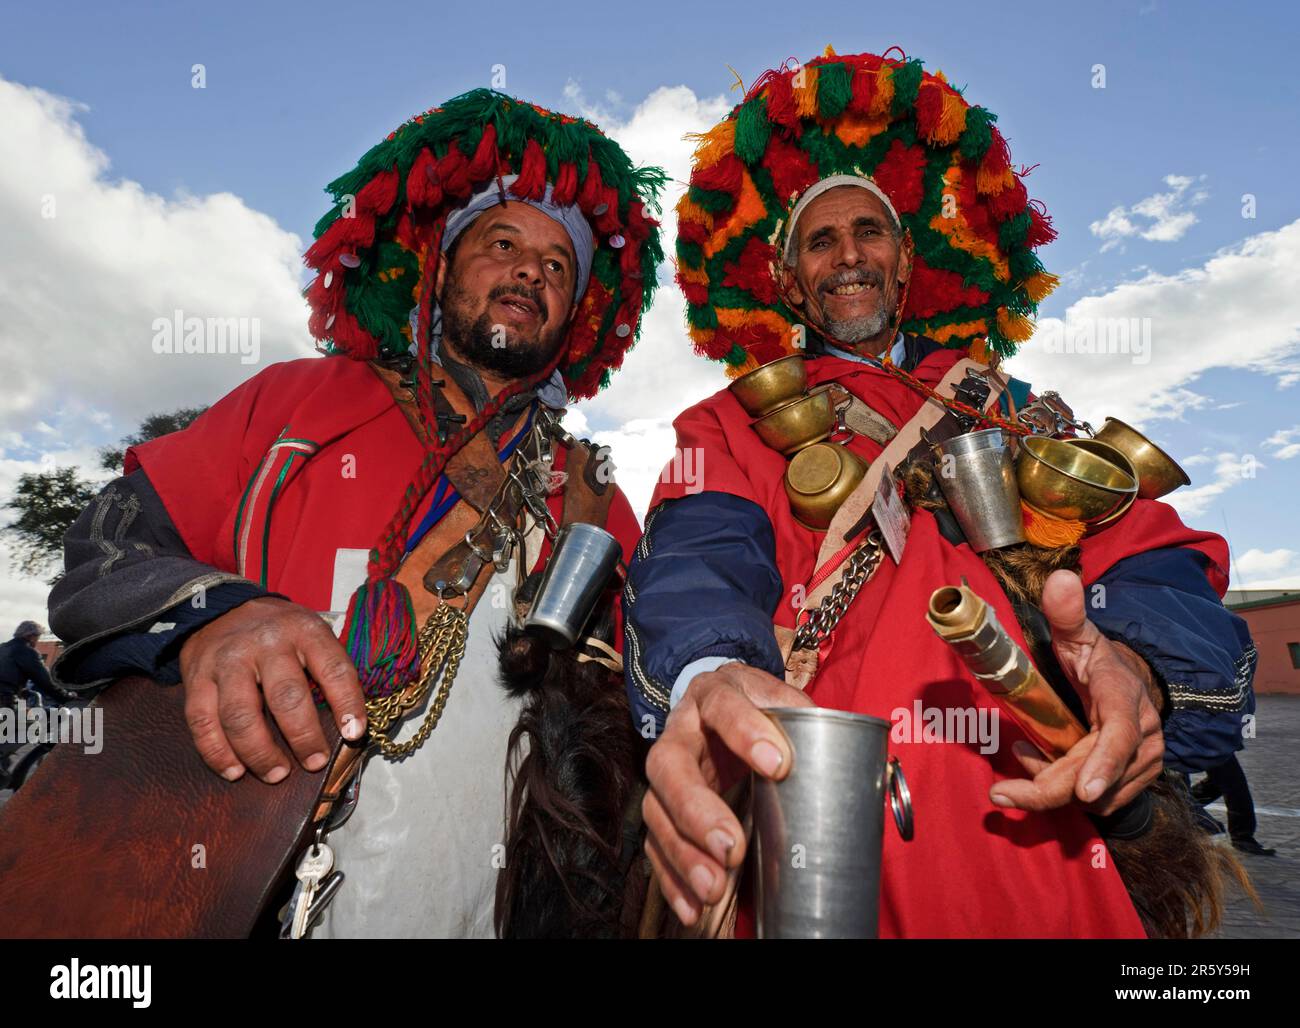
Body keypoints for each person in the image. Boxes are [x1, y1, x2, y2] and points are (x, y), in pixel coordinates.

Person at [625, 49, 1257, 938]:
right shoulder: (728, 425)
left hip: (1047, 817)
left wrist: (1139, 673)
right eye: (821, 240)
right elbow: (698, 561)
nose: (848, 255)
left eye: (869, 233)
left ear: (906, 257)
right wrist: (712, 672)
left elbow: (1145, 552)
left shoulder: (1011, 406)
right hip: (818, 813)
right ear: (788, 279)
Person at [46, 89, 666, 937]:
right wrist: (219, 621)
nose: (531, 271)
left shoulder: (594, 497)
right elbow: (105, 548)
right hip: (244, 890)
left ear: (573, 315)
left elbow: (645, 713)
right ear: (441, 270)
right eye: (503, 244)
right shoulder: (295, 404)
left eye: (559, 266)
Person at [1192, 755, 1276, 856]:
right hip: (1199, 742)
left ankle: (1181, 805)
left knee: (1227, 779)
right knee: (1231, 779)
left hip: (1208, 742)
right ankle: (1242, 836)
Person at [0, 621, 64, 706]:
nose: (37, 642)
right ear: (31, 637)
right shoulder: (27, 652)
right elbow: (44, 680)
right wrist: (65, 696)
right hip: (6, 699)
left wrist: (23, 690)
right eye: (37, 638)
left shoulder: (2, 647)